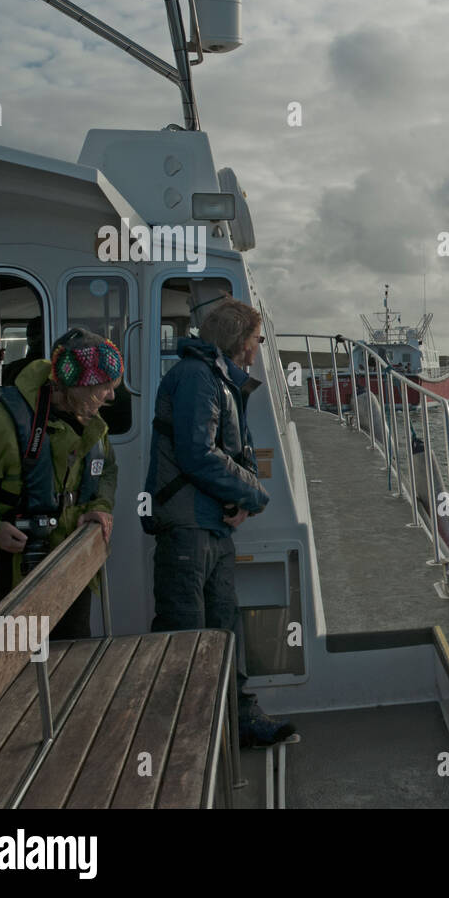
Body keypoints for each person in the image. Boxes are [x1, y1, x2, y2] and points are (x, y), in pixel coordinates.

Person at [144, 296, 294, 747]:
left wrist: (239, 503)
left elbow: (228, 454)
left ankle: (237, 718)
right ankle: (186, 739)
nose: (257, 347)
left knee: (225, 628)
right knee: (187, 633)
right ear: (236, 340)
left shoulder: (218, 379)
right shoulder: (196, 378)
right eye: (255, 339)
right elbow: (198, 453)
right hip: (187, 530)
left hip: (210, 526)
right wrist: (255, 494)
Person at [0, 329, 119, 639]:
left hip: (67, 577)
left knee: (70, 675)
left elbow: (106, 468)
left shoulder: (91, 424)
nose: (111, 397)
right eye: (103, 388)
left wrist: (99, 506)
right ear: (72, 386)